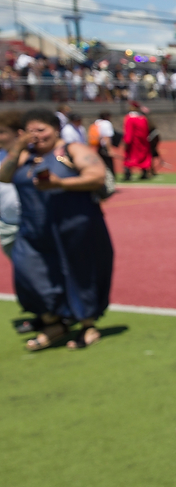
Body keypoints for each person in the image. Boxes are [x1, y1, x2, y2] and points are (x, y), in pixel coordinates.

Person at [0, 109, 114, 350]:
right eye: (31, 131)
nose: (37, 136)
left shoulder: (71, 151)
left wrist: (60, 183)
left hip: (75, 225)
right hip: (34, 228)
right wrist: (18, 147)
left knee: (81, 274)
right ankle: (54, 321)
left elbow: (96, 177)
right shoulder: (24, 155)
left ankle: (87, 325)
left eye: (41, 130)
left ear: (56, 130)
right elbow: (4, 175)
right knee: (30, 275)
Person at [0, 112, 23, 257]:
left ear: (18, 133)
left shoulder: (33, 156)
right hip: (6, 225)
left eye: (2, 132)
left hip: (29, 225)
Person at [121, 102, 152, 181]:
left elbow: (129, 132)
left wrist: (126, 141)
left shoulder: (129, 118)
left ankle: (128, 174)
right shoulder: (143, 118)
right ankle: (144, 173)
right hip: (143, 142)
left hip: (133, 143)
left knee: (129, 158)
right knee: (143, 157)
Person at [88, 111, 116, 177]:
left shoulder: (96, 123)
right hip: (104, 147)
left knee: (100, 163)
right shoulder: (106, 123)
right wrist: (109, 150)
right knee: (108, 165)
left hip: (98, 146)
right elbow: (107, 137)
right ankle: (110, 178)